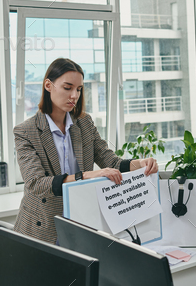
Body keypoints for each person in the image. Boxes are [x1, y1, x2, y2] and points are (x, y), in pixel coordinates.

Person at [13, 58, 158, 243]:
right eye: (67, 88)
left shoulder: (84, 123)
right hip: (41, 228)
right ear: (48, 85)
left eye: (79, 89)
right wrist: (87, 175)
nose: (74, 95)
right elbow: (37, 184)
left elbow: (111, 162)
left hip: (81, 220)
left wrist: (140, 164)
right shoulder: (26, 131)